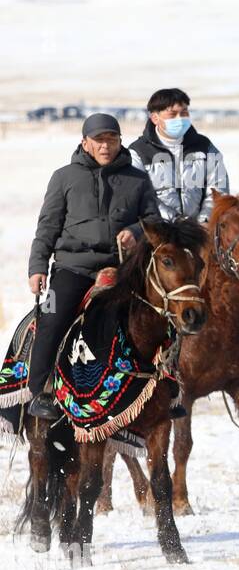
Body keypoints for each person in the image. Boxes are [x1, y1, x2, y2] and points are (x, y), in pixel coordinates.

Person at [26, 113, 161, 420]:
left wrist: (136, 232)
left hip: (120, 268)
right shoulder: (64, 177)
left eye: (111, 139)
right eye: (99, 140)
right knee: (52, 320)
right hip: (72, 267)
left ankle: (166, 387)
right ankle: (42, 392)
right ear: (85, 142)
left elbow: (154, 219)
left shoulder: (137, 179)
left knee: (157, 316)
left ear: (119, 141)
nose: (105, 146)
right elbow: (47, 228)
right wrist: (37, 268)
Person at [128, 87, 228, 224]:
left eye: (184, 112)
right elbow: (141, 196)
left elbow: (218, 188)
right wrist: (175, 220)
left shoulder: (204, 146)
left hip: (200, 229)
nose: (180, 119)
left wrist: (205, 220)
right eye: (172, 114)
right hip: (159, 231)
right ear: (155, 118)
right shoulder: (138, 152)